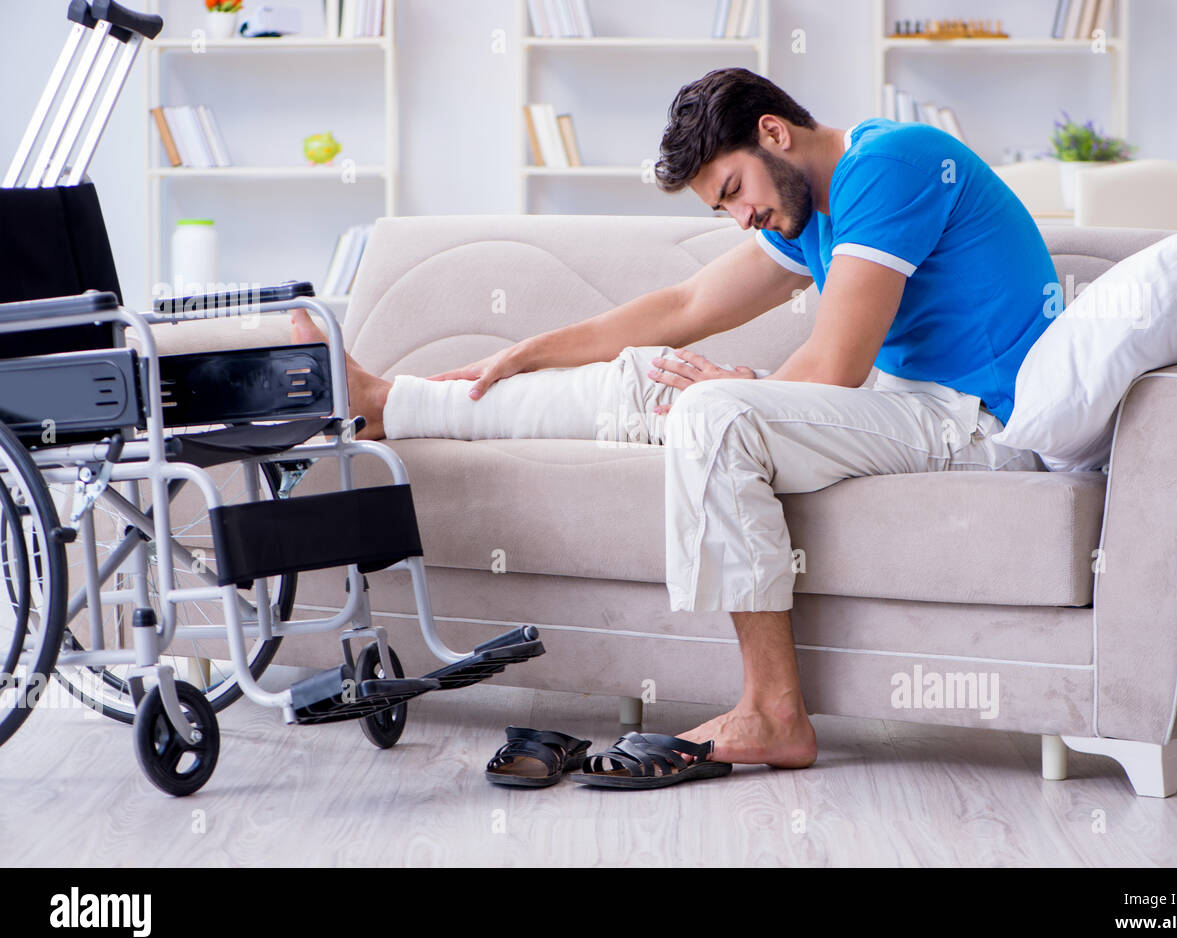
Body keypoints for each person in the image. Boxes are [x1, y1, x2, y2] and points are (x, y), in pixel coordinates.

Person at [290, 67, 1056, 773]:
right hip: (908, 408)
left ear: (774, 133)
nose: (740, 216)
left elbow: (834, 369)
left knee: (714, 413)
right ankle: (392, 403)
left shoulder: (892, 166)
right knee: (657, 382)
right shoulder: (808, 210)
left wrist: (737, 391)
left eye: (731, 190)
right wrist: (525, 350)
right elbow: (683, 308)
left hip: (977, 423)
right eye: (723, 206)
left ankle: (773, 713)